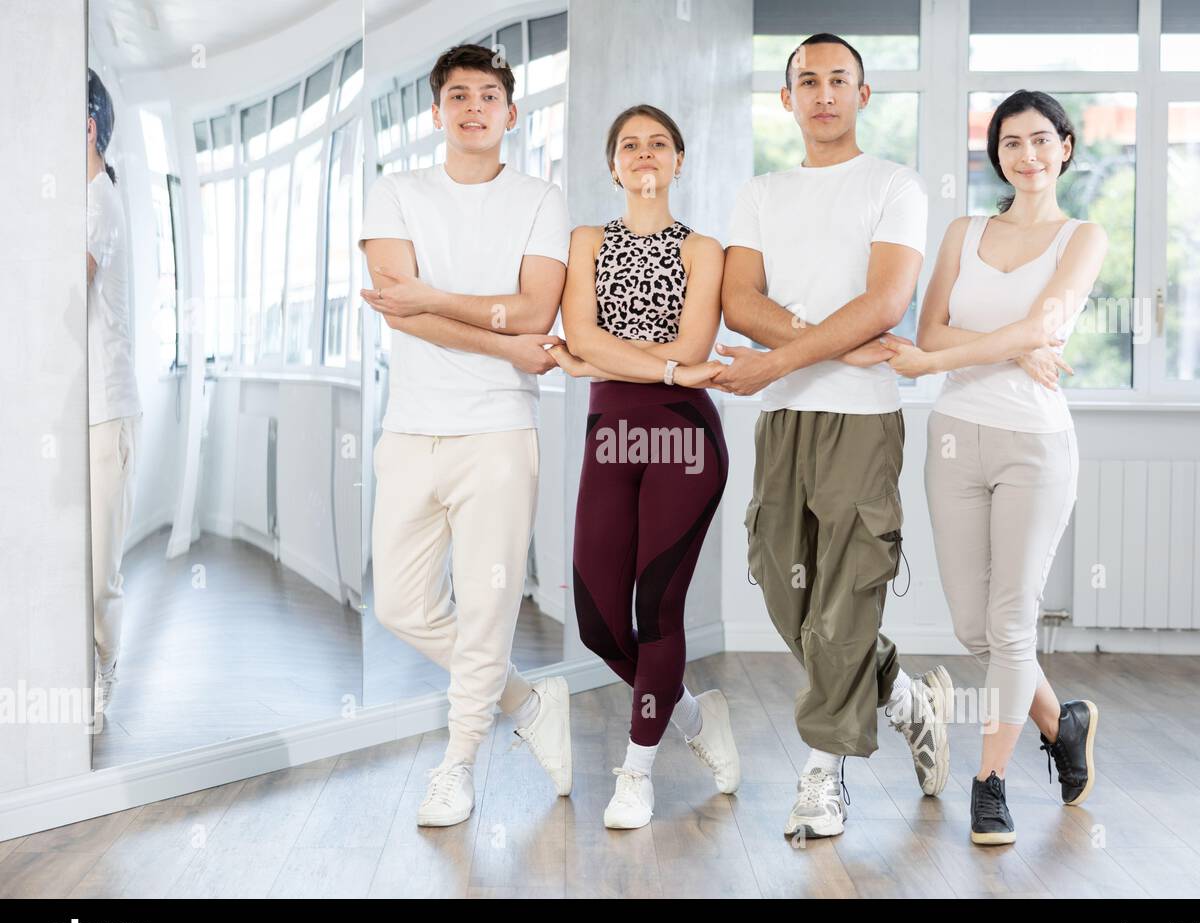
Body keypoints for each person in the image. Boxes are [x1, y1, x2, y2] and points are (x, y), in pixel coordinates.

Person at [718, 34, 952, 840]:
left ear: (863, 95)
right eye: (806, 81)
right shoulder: (761, 192)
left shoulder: (896, 185)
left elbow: (887, 301)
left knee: (848, 591)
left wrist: (782, 355)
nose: (822, 93)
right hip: (782, 414)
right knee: (788, 589)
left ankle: (823, 772)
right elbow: (737, 299)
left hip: (861, 413)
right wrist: (819, 343)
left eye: (839, 80)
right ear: (786, 99)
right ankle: (906, 697)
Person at [880, 90, 1108, 845]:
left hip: (1034, 444)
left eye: (1042, 140)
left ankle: (991, 782)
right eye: (1012, 143)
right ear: (997, 155)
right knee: (975, 625)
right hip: (956, 436)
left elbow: (1046, 324)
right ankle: (1062, 723)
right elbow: (930, 324)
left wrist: (959, 354)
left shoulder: (1084, 235)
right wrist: (1009, 345)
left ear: (1065, 147)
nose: (1029, 155)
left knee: (1012, 621)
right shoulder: (963, 230)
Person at [358, 44, 572, 828]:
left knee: (484, 608)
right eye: (458, 96)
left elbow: (536, 314)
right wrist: (503, 335)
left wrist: (437, 301)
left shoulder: (541, 199)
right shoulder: (397, 191)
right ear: (438, 112)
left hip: (498, 431)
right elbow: (398, 305)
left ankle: (457, 764)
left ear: (511, 113)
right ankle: (526, 700)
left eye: (489, 95)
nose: (474, 107)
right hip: (410, 428)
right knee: (402, 606)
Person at [549, 105, 736, 830]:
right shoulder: (586, 241)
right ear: (613, 164)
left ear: (679, 160)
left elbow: (691, 349)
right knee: (599, 619)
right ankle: (691, 713)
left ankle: (637, 772)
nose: (644, 153)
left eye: (659, 143)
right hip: (612, 434)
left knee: (656, 609)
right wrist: (663, 366)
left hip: (685, 440)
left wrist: (602, 359)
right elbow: (583, 334)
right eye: (629, 144)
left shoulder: (705, 249)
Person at [86, 68, 143, 727]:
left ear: (89, 125)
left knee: (102, 569)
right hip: (87, 411)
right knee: (83, 561)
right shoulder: (85, 200)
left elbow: (69, 300)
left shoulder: (101, 202)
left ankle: (105, 674)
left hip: (110, 411)